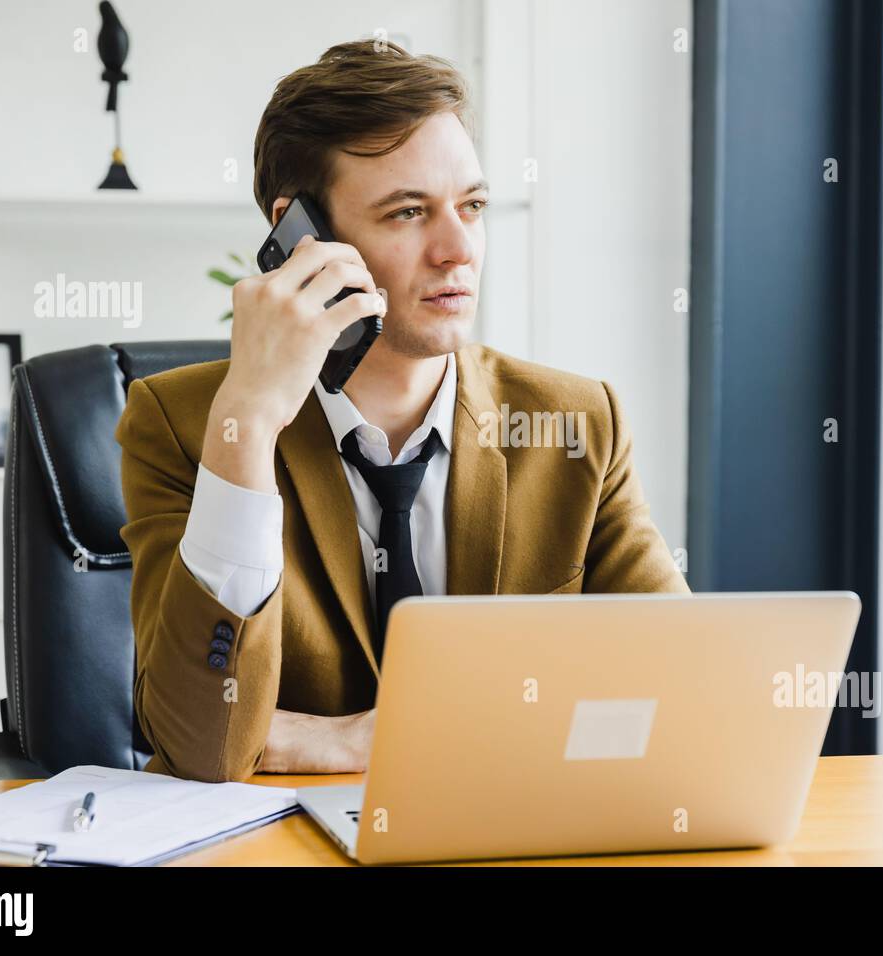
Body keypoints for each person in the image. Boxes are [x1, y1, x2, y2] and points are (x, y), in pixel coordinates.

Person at [115, 39, 688, 783]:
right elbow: (203, 747)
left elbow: (677, 693)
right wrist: (250, 426)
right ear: (302, 234)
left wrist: (339, 741)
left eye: (472, 207)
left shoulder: (577, 423)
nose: (458, 250)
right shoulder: (183, 425)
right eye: (409, 212)